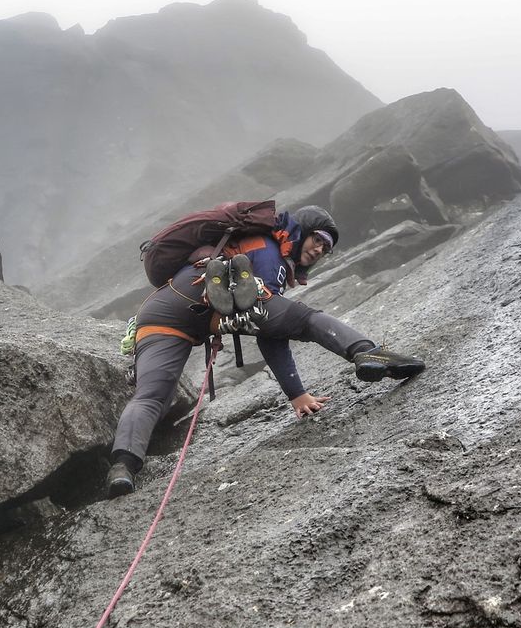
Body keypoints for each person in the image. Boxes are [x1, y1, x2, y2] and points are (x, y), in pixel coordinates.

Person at [107, 205, 425, 497]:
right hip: (201, 298)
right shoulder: (268, 249)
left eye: (326, 249)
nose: (319, 250)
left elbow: (270, 331)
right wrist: (296, 392)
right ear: (301, 230)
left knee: (151, 395)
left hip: (159, 315)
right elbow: (276, 329)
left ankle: (122, 468)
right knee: (302, 318)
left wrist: (296, 394)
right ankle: (367, 351)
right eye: (318, 240)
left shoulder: (263, 251)